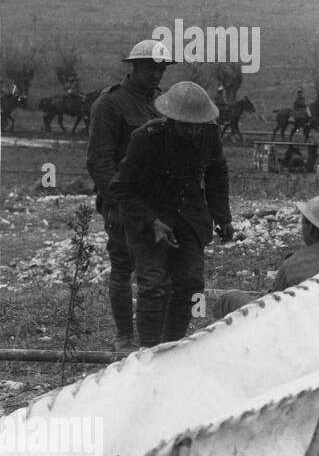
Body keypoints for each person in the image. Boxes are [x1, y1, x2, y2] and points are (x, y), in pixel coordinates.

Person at [108, 81, 233, 347]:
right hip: (147, 218)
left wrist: (223, 217)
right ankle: (149, 352)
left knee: (190, 283)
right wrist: (151, 222)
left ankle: (172, 347)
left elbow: (216, 174)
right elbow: (122, 188)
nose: (193, 130)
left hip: (190, 218)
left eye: (198, 124)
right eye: (187, 125)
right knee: (153, 286)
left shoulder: (209, 135)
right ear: (170, 119)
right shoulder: (145, 138)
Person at [86, 39, 172, 353]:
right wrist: (121, 203)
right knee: (123, 266)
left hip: (159, 205)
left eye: (161, 69)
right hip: (122, 203)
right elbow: (100, 161)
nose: (157, 75)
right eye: (151, 68)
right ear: (133, 67)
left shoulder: (162, 103)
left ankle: (155, 336)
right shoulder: (111, 103)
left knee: (158, 272)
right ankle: (124, 337)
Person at [211, 196, 319, 318]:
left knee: (229, 299)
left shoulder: (293, 266)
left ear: (312, 229)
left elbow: (271, 308)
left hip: (294, 331)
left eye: (303, 223)